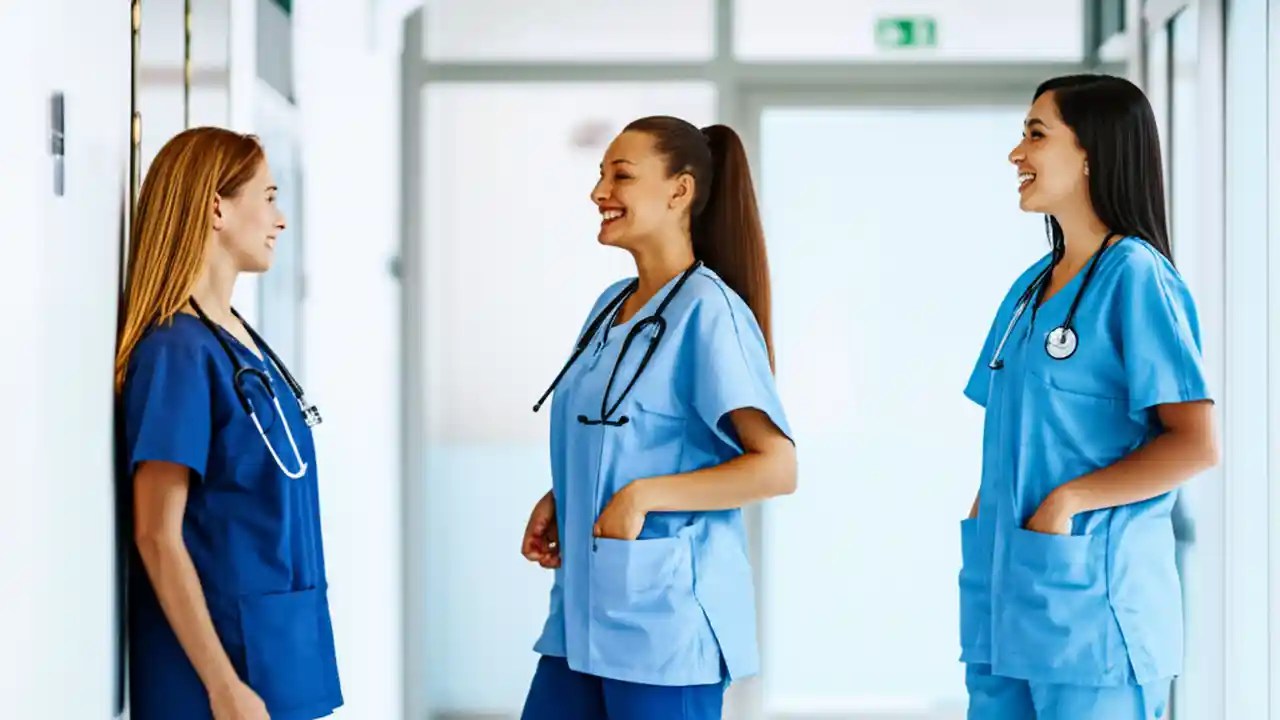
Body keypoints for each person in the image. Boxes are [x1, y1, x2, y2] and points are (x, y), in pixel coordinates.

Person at [958, 74, 1219, 719]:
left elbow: (1194, 443)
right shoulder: (1030, 289)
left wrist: (1069, 500)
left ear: (1090, 153)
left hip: (1092, 605)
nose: (1016, 153)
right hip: (1006, 595)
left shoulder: (1136, 275)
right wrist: (983, 517)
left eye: (1035, 134)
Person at [519, 116, 798, 719]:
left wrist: (641, 496)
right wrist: (561, 493)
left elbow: (776, 468)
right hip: (581, 618)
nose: (599, 193)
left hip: (666, 626)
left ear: (680, 191)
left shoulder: (710, 312)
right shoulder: (610, 307)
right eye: (600, 176)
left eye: (621, 176)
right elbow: (625, 433)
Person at [117, 127, 342, 720]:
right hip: (220, 672)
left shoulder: (238, 340)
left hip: (280, 647)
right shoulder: (177, 352)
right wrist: (222, 685)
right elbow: (156, 535)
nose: (280, 218)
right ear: (217, 207)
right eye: (267, 196)